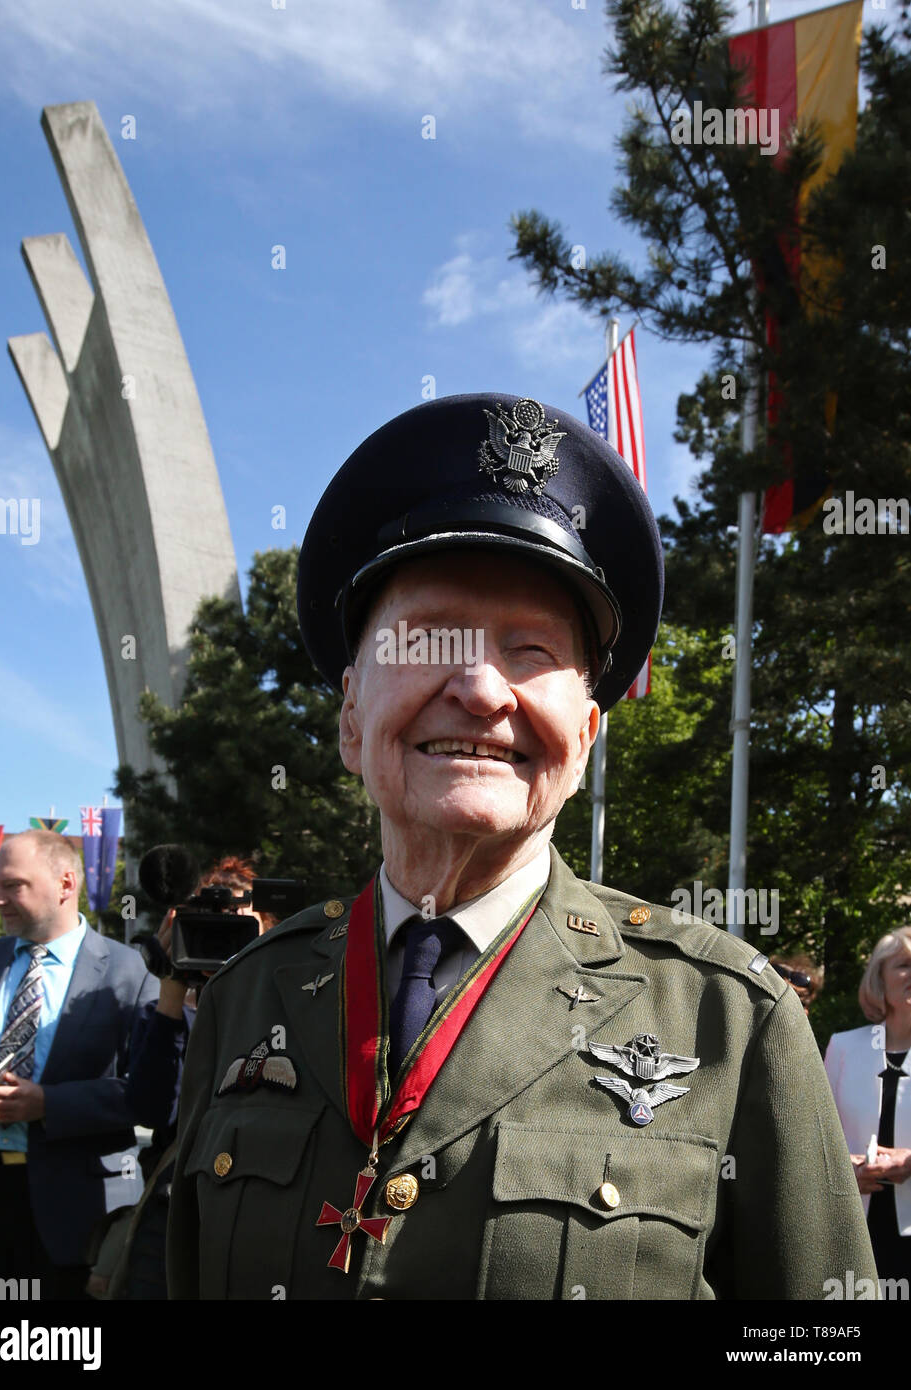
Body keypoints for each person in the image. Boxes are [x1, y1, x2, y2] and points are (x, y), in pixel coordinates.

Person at [168, 392, 876, 1300]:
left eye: (531, 649)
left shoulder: (728, 1018)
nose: (479, 687)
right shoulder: (243, 997)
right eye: (429, 636)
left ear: (583, 737)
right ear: (350, 716)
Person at [0, 829, 158, 1298]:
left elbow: (151, 1094)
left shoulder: (130, 973)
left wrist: (49, 1103)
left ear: (66, 884)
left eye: (13, 885)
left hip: (78, 1213)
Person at [89, 856, 275, 1299]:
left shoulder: (289, 1003)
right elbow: (151, 1109)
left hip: (260, 1215)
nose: (221, 936)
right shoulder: (169, 1017)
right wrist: (171, 991)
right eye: (206, 926)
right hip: (173, 1207)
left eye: (236, 924)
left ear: (267, 930)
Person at [825, 926, 911, 1282]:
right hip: (853, 1227)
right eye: (905, 965)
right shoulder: (844, 1047)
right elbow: (818, 1134)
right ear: (879, 979)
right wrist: (845, 1169)